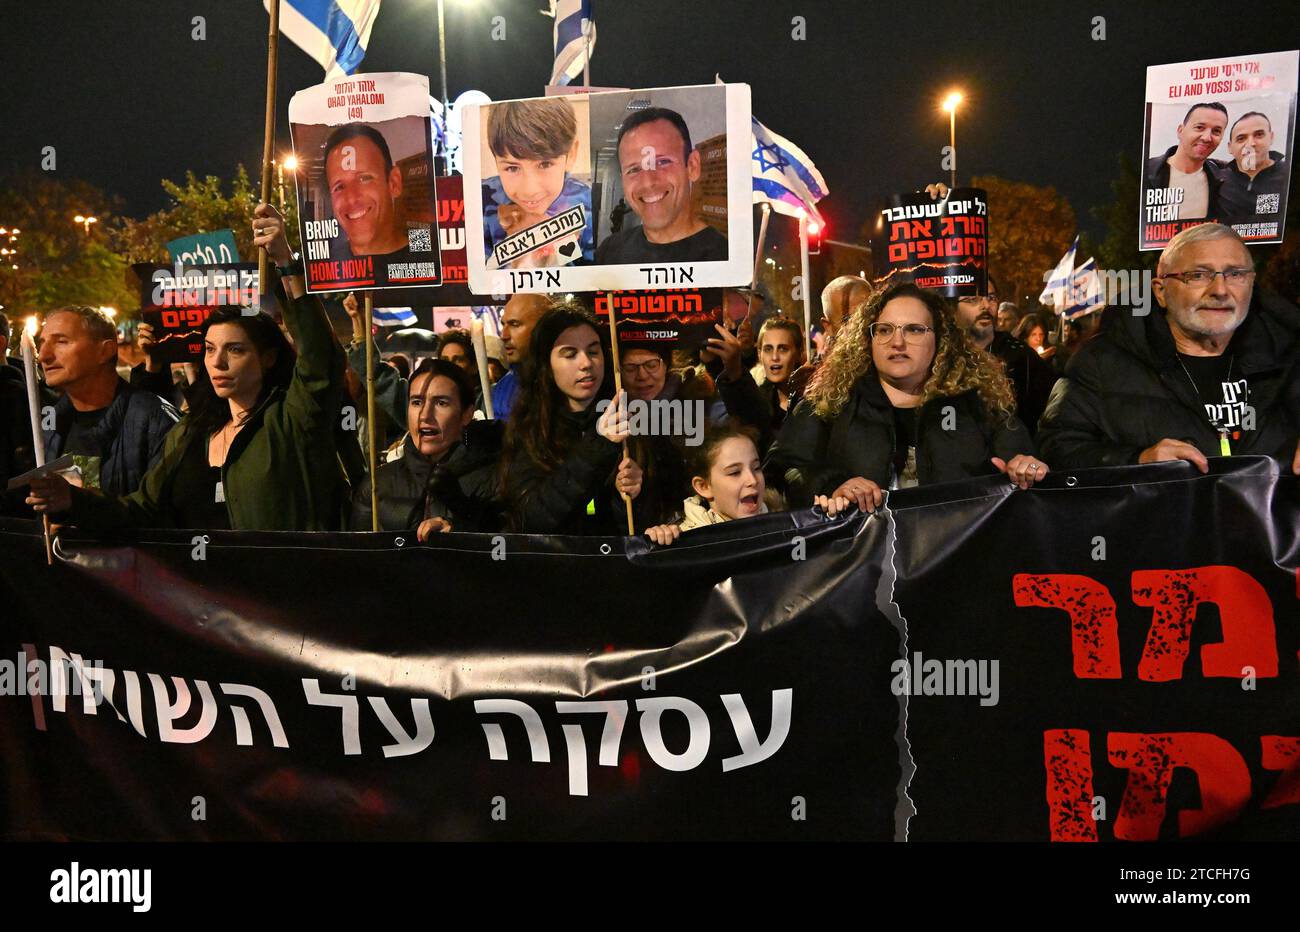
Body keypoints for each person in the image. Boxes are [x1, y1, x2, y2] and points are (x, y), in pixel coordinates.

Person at [27, 204, 353, 530]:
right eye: (210, 349)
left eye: (235, 349)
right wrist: (74, 501)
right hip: (192, 581)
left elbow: (320, 360)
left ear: (267, 357)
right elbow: (142, 510)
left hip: (271, 579)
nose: (217, 362)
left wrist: (284, 261)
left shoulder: (292, 419)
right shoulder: (191, 432)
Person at [1039, 222, 1300, 473]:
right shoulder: (1099, 363)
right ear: (1161, 291)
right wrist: (1137, 460)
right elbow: (1057, 450)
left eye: (1235, 274)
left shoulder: (1290, 355)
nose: (1220, 290)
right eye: (1197, 275)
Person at [766, 283, 1045, 512]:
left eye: (914, 330)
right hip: (861, 569)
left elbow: (1026, 463)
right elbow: (782, 471)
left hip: (958, 565)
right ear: (868, 339)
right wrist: (830, 486)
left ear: (941, 339)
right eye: (885, 330)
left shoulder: (981, 403)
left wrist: (1027, 469)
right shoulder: (831, 400)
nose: (897, 342)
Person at [500, 302, 647, 534]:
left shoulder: (631, 423)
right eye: (570, 354)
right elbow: (530, 519)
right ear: (546, 364)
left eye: (593, 351)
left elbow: (640, 527)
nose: (586, 364)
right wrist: (599, 446)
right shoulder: (529, 431)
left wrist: (629, 497)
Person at [37, 304, 178, 496]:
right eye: (42, 343)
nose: (43, 356)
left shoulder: (155, 421)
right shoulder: (49, 423)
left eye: (61, 342)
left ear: (105, 350)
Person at [350, 358, 502, 536]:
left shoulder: (498, 479)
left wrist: (461, 532)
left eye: (441, 403)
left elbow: (508, 551)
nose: (425, 415)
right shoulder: (377, 483)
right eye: (417, 402)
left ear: (467, 414)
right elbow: (357, 558)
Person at [595, 107, 729, 265]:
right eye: (634, 169)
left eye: (663, 162)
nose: (648, 182)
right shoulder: (609, 252)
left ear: (692, 166)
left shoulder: (727, 258)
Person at [482, 97, 594, 267]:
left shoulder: (589, 206)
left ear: (570, 155)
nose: (529, 190)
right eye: (512, 168)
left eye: (545, 164)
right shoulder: (481, 201)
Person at [953, 277, 1057, 435]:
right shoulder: (940, 355)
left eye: (991, 298)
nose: (986, 305)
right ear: (952, 308)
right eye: (973, 299)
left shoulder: (1021, 356)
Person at [644, 424, 771, 545]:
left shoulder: (784, 526)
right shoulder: (681, 539)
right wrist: (658, 544)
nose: (752, 480)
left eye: (756, 468)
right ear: (703, 487)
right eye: (735, 472)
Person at [324, 123, 410, 257]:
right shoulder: (329, 265)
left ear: (394, 183)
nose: (351, 198)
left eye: (364, 178)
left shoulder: (429, 255)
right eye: (339, 187)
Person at [1144, 102, 1228, 221]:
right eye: (1199, 127)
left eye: (1216, 131)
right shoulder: (1146, 172)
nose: (1207, 137)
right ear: (1180, 131)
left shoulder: (1223, 178)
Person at [1217, 112, 1289, 227]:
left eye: (1259, 135)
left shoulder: (1289, 176)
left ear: (1271, 137)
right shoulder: (1216, 180)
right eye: (1241, 138)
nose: (1251, 143)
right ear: (1230, 147)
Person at [491, 292, 552, 420]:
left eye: (514, 324)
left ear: (543, 327)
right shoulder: (503, 385)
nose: (504, 335)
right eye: (503, 324)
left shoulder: (564, 383)